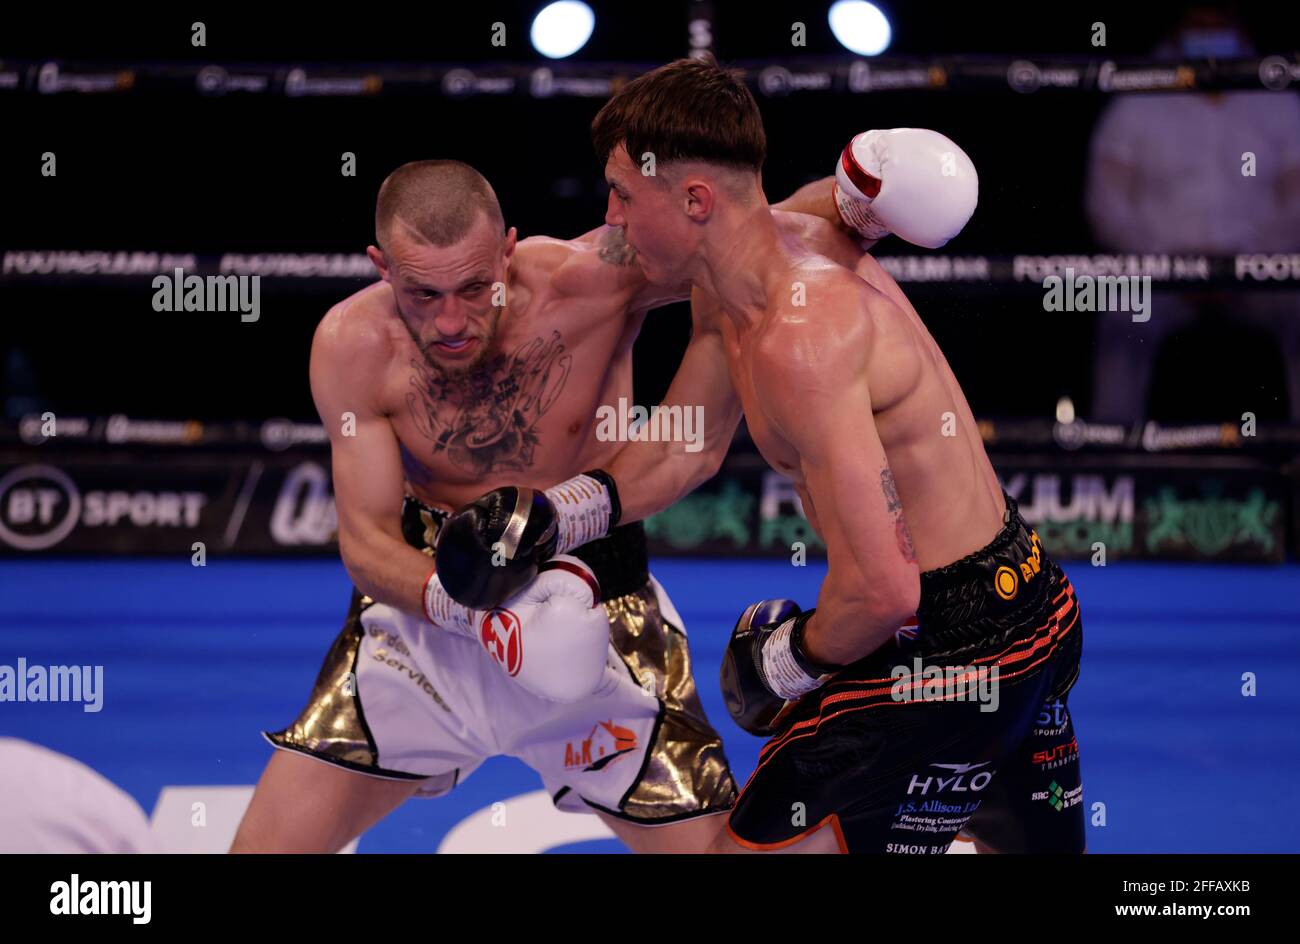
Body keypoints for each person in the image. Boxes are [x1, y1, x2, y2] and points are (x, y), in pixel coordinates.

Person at [439, 57, 1084, 854]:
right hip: (1028, 607)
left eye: (624, 195)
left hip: (948, 648)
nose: (611, 218)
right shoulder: (737, 275)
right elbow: (688, 446)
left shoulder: (800, 338)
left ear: (694, 200)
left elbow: (883, 590)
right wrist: (556, 515)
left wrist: (785, 661)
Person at [231, 154, 890, 853]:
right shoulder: (351, 345)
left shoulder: (588, 281)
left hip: (604, 622)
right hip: (423, 638)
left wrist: (866, 192)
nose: (452, 320)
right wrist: (477, 616)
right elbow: (365, 543)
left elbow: (748, 224)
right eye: (423, 294)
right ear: (381, 266)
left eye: (474, 287)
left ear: (509, 251)